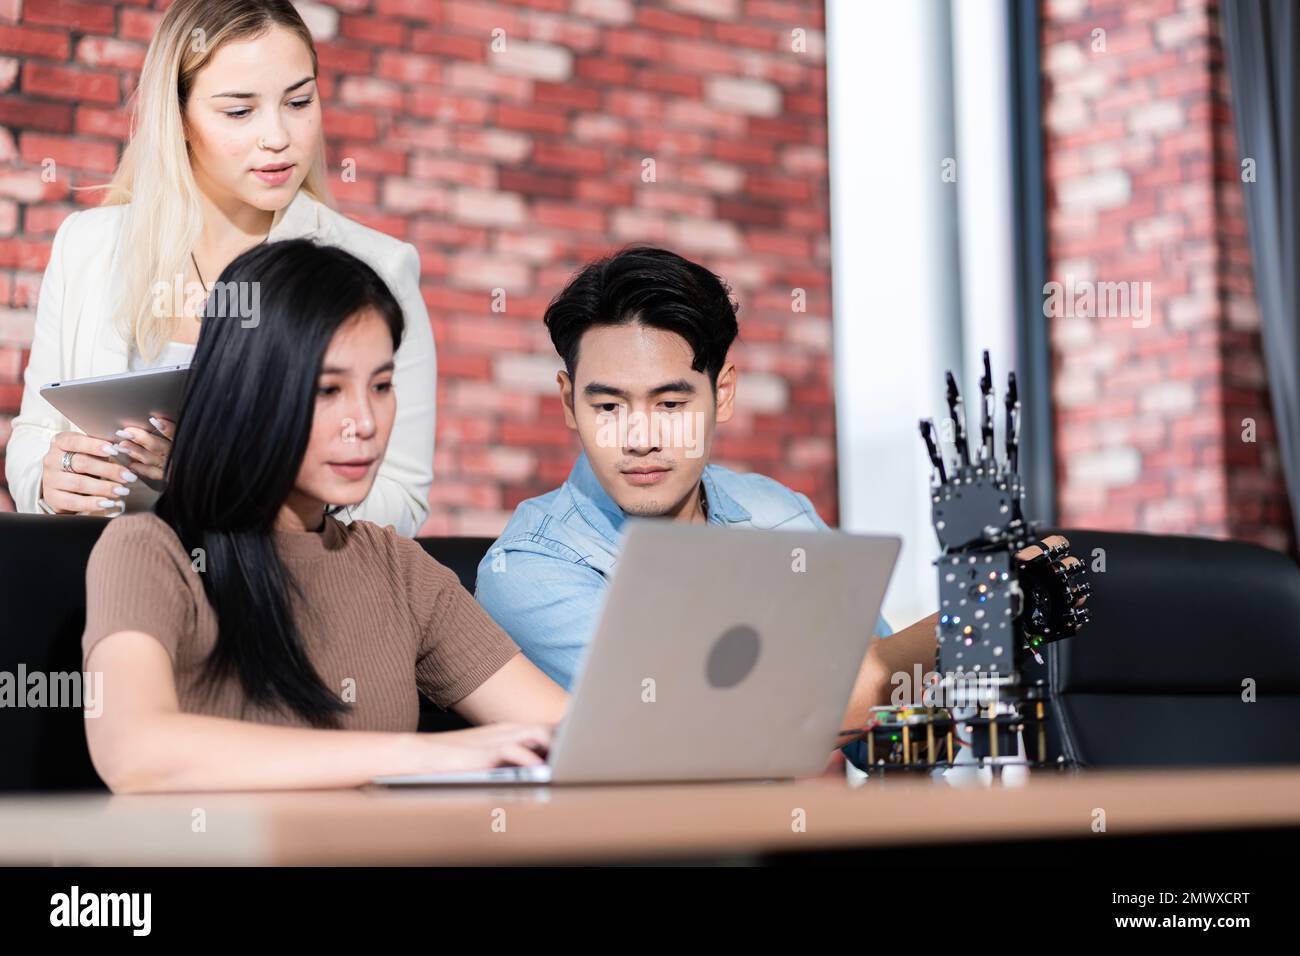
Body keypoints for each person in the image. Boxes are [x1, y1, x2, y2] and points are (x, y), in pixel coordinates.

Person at [82, 239, 565, 793]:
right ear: (249, 393)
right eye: (327, 390)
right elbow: (134, 753)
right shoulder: (150, 552)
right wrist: (427, 756)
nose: (363, 420)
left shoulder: (396, 569)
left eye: (381, 386)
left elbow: (567, 730)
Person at [7, 0, 435, 535]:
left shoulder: (379, 268)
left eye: (299, 101)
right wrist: (51, 481)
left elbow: (401, 503)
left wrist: (211, 479)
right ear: (178, 116)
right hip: (102, 580)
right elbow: (34, 435)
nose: (278, 136)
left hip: (279, 598)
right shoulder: (88, 245)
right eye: (239, 111)